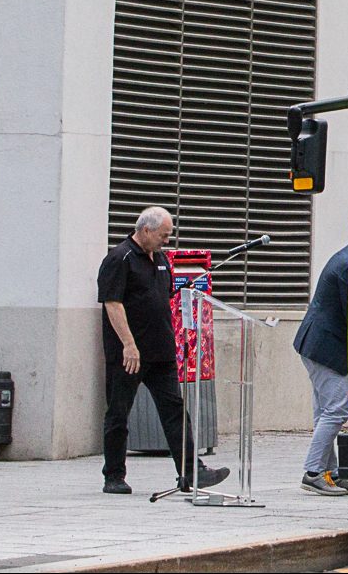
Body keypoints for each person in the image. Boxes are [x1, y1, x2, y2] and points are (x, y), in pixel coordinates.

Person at [98, 206, 230, 495]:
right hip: (130, 354)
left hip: (161, 353)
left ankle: (190, 472)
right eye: (163, 235)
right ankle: (114, 475)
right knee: (119, 413)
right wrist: (128, 344)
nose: (166, 241)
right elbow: (112, 304)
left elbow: (163, 297)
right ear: (146, 230)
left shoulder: (160, 259)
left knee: (175, 412)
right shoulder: (119, 258)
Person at [293, 243, 348, 495]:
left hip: (317, 344)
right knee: (336, 410)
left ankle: (332, 473)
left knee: (326, 411)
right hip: (325, 347)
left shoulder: (347, 258)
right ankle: (313, 473)